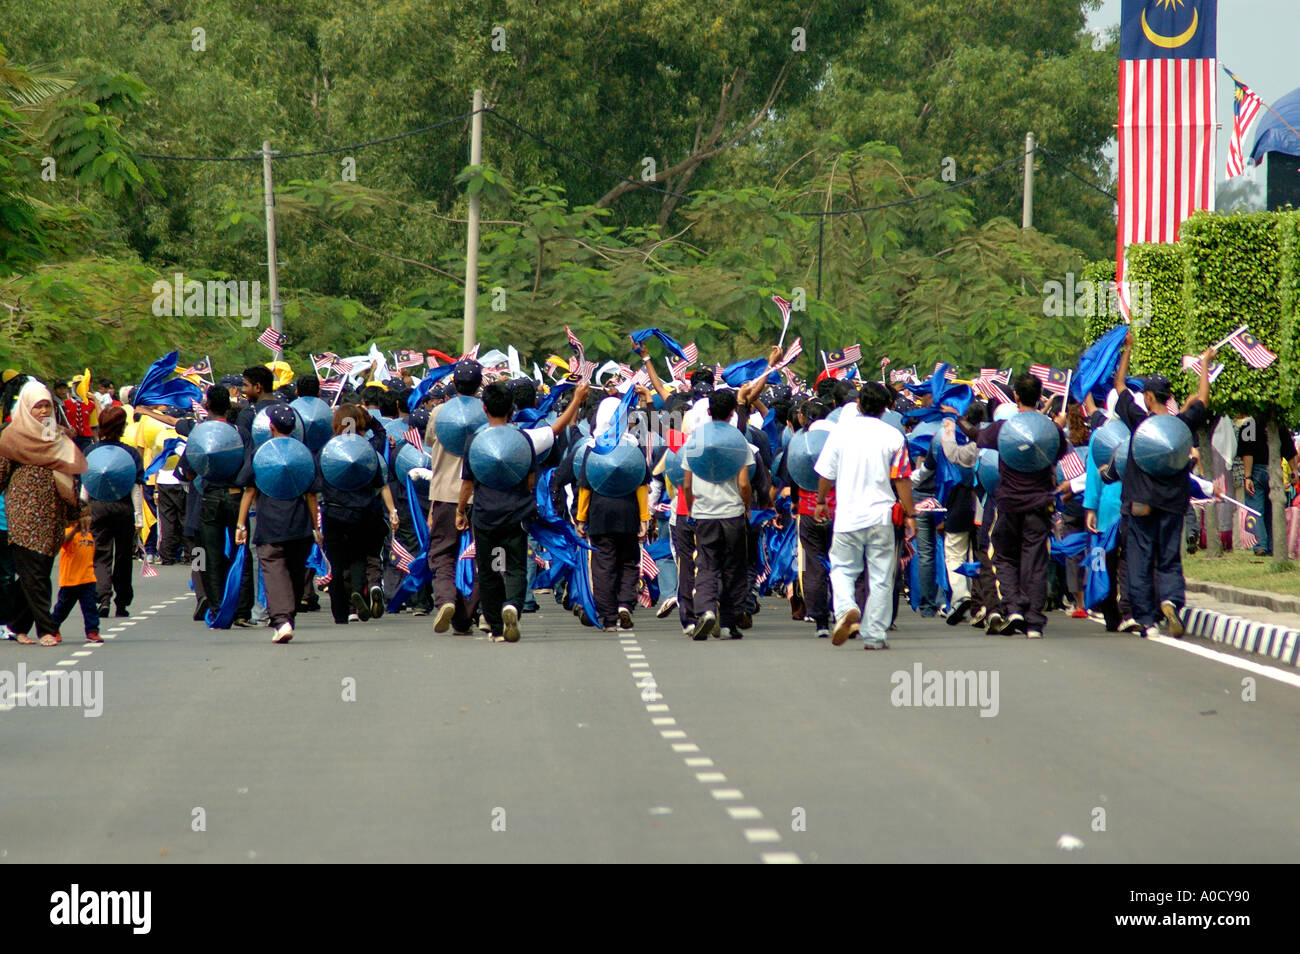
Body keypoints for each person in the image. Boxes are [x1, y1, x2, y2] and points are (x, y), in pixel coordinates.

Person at [458, 379, 588, 642]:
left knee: (491, 568)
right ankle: (513, 606)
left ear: (485, 409)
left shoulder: (475, 442)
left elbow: (467, 483)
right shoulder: (523, 440)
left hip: (485, 517)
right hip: (516, 514)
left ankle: (495, 626)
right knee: (515, 566)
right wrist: (576, 400)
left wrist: (460, 510)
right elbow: (547, 444)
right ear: (512, 410)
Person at [1113, 334, 1215, 638]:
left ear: (1147, 397)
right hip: (1173, 502)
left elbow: (1119, 387)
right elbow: (1203, 400)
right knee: (1169, 557)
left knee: (1141, 559)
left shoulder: (1139, 421)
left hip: (1141, 503)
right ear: (1168, 397)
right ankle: (1171, 599)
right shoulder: (1181, 425)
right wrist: (1205, 366)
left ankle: (1147, 620)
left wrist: (1128, 349)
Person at [814, 382, 916, 649]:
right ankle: (875, 635)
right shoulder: (894, 436)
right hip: (882, 516)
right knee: (882, 577)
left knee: (842, 569)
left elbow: (825, 474)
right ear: (886, 408)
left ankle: (847, 607)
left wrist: (821, 501)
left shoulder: (840, 433)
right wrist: (911, 514)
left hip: (847, 516)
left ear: (858, 404)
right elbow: (902, 478)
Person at [970, 374, 1067, 639]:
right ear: (1040, 396)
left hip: (1008, 502)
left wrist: (958, 419)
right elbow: (1060, 454)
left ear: (1015, 396)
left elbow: (978, 437)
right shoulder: (1051, 430)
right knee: (1035, 562)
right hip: (1039, 504)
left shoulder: (1004, 428)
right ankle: (1034, 621)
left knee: (1004, 557)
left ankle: (1013, 607)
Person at [0, 380, 87, 646]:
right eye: (37, 406)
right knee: (34, 571)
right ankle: (47, 629)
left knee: (36, 572)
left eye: (46, 406)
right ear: (26, 406)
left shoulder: (57, 436)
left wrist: (78, 510)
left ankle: (17, 624)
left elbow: (70, 476)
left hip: (52, 515)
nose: (42, 411)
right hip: (23, 513)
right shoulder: (11, 435)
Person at [234, 404, 322, 643]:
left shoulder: (261, 454)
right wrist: (316, 528)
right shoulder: (304, 453)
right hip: (300, 524)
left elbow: (249, 490)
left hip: (270, 524)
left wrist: (241, 524)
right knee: (294, 573)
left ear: (270, 426)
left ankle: (282, 620)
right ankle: (286, 619)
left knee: (273, 572)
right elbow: (312, 495)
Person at [681, 388, 754, 641]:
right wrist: (746, 506)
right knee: (734, 568)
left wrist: (691, 507)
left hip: (703, 513)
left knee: (706, 564)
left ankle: (706, 609)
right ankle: (729, 623)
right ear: (733, 412)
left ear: (709, 411)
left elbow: (687, 484)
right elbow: (744, 483)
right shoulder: (738, 440)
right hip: (732, 512)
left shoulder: (695, 440)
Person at [575, 396, 651, 632]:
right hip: (628, 512)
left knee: (603, 565)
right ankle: (625, 604)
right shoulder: (632, 446)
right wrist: (644, 518)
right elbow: (641, 484)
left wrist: (581, 518)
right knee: (629, 561)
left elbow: (585, 487)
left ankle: (608, 617)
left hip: (599, 513)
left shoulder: (594, 447)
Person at [320, 406, 401, 624]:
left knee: (337, 564)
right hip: (363, 510)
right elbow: (378, 478)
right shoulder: (367, 449)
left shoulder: (328, 449)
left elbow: (319, 480)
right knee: (358, 557)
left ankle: (340, 612)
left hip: (334, 510)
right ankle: (357, 590)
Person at [423, 360, 486, 635]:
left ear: (454, 384)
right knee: (481, 556)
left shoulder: (439, 412)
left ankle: (446, 599)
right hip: (480, 496)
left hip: (445, 495)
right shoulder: (486, 412)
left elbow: (428, 441)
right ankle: (470, 615)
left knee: (442, 554)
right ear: (479, 384)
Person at [87, 405, 145, 618]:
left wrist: (82, 511)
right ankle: (122, 601)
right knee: (123, 556)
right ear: (122, 428)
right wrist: (139, 517)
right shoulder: (129, 453)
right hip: (123, 508)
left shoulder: (91, 451)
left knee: (100, 554)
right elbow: (135, 486)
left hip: (97, 507)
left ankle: (102, 597)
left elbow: (86, 485)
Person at [52, 505, 102, 643]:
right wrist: (75, 530)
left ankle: (92, 631)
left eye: (88, 517)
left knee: (90, 607)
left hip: (87, 578)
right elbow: (64, 541)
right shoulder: (69, 532)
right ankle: (53, 626)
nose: (87, 520)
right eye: (83, 517)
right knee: (63, 607)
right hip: (70, 580)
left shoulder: (90, 535)